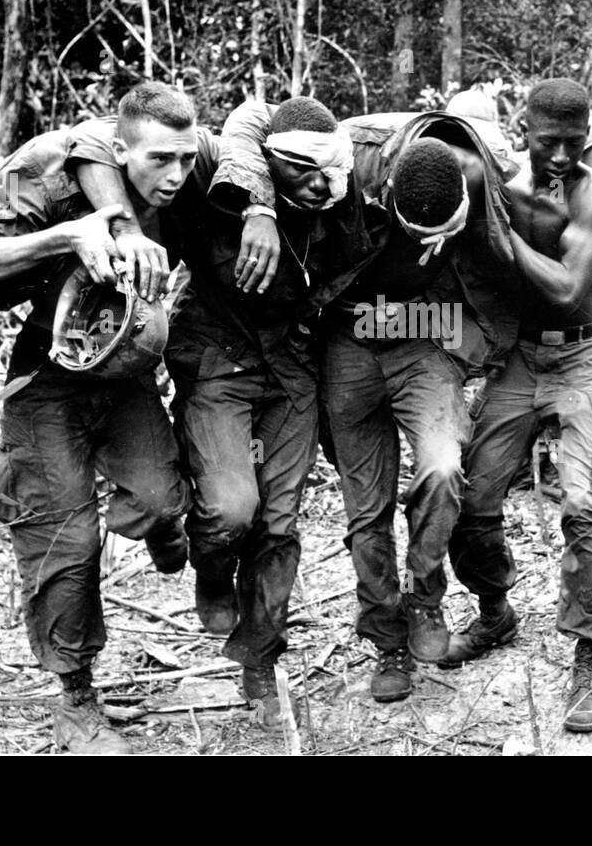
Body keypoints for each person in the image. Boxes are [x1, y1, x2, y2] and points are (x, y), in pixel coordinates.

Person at [221, 99, 519, 703]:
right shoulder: (348, 150)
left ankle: (425, 598)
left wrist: (471, 352)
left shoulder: (485, 167)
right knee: (366, 511)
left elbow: (510, 241)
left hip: (423, 343)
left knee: (442, 466)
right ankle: (388, 643)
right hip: (348, 346)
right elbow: (253, 121)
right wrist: (257, 206)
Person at [68, 96, 348, 730]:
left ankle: (260, 656)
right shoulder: (218, 175)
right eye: (297, 168)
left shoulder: (343, 196)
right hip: (218, 358)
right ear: (269, 161)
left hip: (292, 369)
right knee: (229, 509)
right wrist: (255, 207)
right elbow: (91, 140)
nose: (316, 182)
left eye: (326, 170)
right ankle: (212, 567)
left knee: (278, 524)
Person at [0, 81, 199, 754]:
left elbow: (254, 144)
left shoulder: (185, 172)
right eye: (159, 161)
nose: (174, 176)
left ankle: (161, 521)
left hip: (126, 368)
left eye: (185, 159)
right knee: (67, 540)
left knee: (159, 497)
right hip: (48, 372)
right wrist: (65, 238)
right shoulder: (48, 179)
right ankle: (76, 698)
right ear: (121, 152)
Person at [444, 78, 592, 734]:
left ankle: (591, 654)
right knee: (471, 495)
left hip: (582, 356)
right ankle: (496, 612)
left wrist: (498, 236)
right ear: (522, 131)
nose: (560, 156)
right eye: (547, 141)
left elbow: (566, 287)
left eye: (574, 143)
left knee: (583, 502)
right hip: (519, 359)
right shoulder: (502, 191)